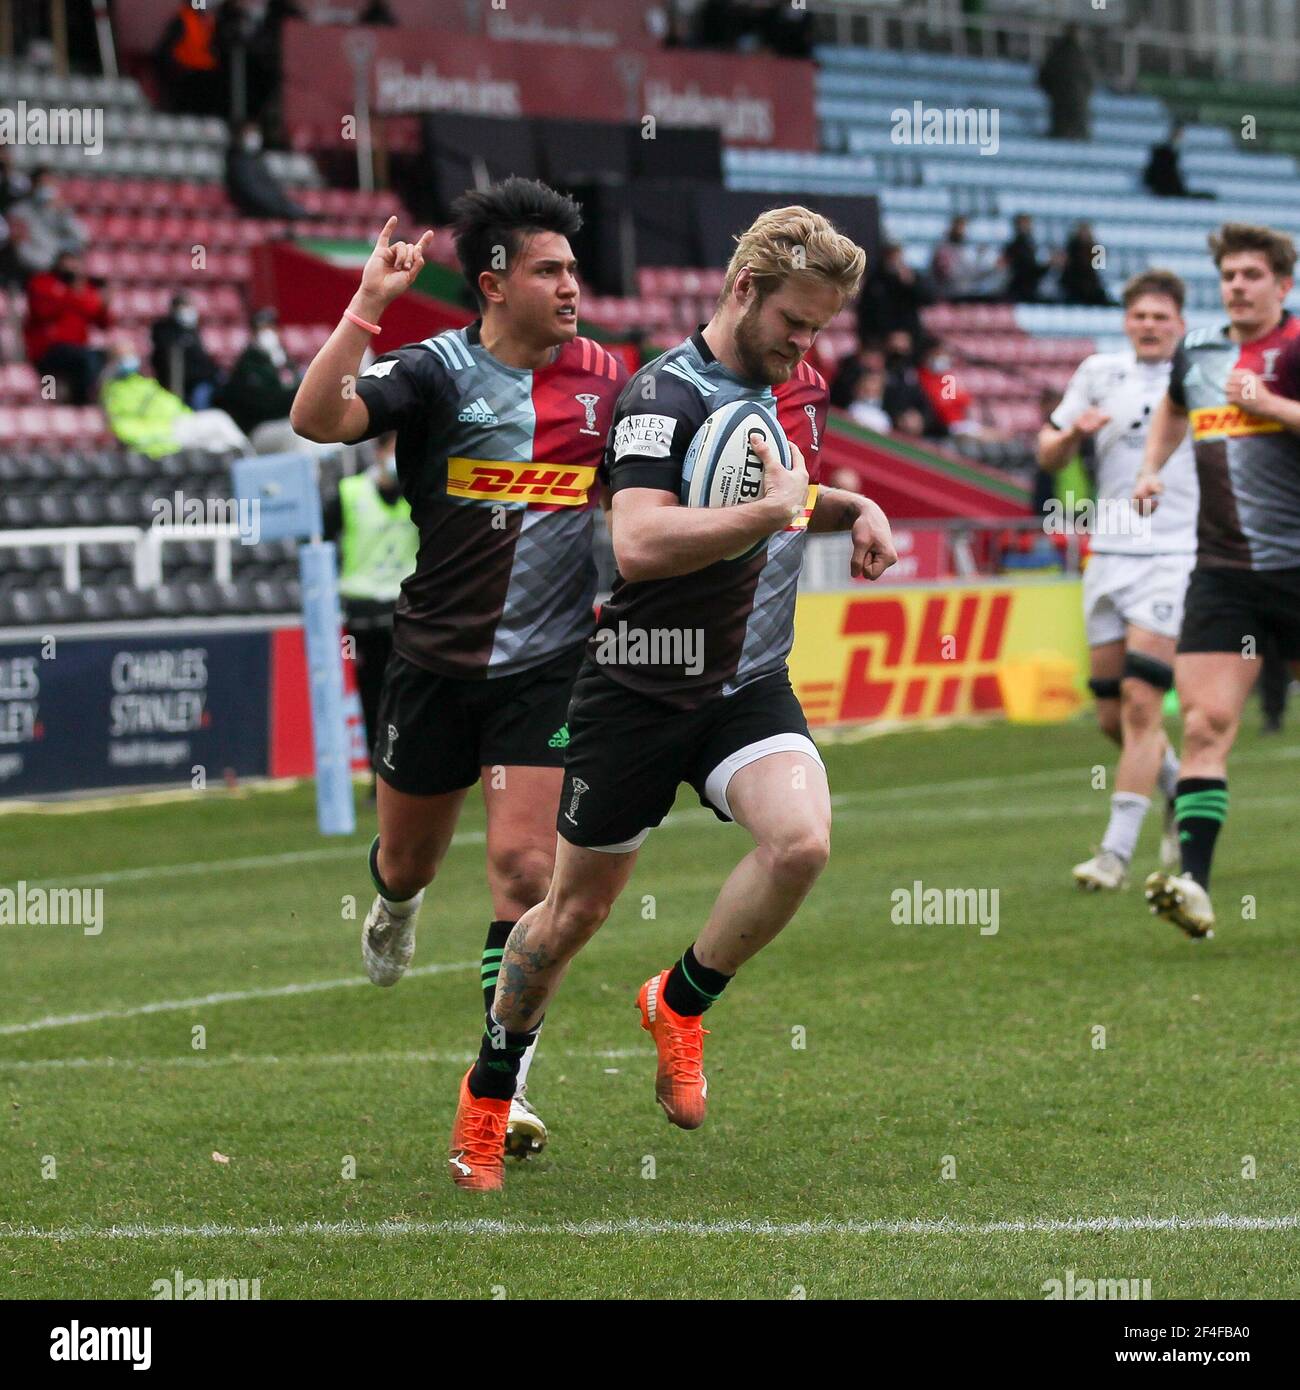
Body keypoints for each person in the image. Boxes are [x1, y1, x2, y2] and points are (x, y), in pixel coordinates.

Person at [445, 205, 897, 1192]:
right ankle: (487, 1089)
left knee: (802, 841)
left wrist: (849, 504)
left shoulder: (781, 386)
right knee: (566, 918)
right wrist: (772, 513)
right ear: (744, 290)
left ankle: (680, 1001)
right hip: (639, 684)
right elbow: (641, 540)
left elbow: (772, 493)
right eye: (796, 324)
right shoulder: (661, 396)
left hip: (740, 682)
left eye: (820, 329)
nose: (805, 347)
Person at [289, 179, 628, 1161]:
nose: (572, 285)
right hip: (434, 660)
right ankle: (394, 908)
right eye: (549, 269)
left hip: (549, 667)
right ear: (493, 282)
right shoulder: (435, 370)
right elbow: (317, 418)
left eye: (573, 267)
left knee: (525, 870)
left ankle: (502, 1082)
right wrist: (367, 306)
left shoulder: (607, 377)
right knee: (411, 860)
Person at [1135, 224, 1300, 937]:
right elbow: (1174, 405)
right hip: (1225, 573)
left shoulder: (1295, 352)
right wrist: (1151, 467)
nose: (1238, 285)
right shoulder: (1199, 350)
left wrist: (1274, 408)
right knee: (1204, 724)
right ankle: (1194, 886)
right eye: (1230, 274)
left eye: (1252, 275)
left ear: (1283, 286)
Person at [1038, 270, 1197, 891]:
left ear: (1179, 324)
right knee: (1110, 716)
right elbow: (1046, 452)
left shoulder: (1197, 379)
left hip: (1173, 554)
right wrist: (1071, 435)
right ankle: (1180, 788)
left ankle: (1115, 854)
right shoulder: (1097, 373)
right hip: (1106, 553)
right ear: (1126, 322)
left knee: (1140, 704)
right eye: (1140, 316)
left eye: (1162, 317)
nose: (1150, 326)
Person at [322, 432, 418, 796]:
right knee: (371, 696)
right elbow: (316, 539)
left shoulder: (417, 493)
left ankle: (406, 772)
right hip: (361, 612)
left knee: (407, 695)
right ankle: (379, 776)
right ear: (378, 452)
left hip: (405, 609)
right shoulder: (350, 493)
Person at [101, 342, 250, 457]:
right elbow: (124, 427)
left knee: (218, 444)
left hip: (180, 422)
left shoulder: (141, 382)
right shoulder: (114, 392)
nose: (130, 359)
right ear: (113, 361)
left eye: (131, 354)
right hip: (167, 432)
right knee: (218, 419)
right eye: (124, 356)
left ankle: (247, 466)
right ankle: (252, 460)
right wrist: (161, 437)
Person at [23, 250, 109, 406]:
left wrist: (105, 303)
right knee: (84, 360)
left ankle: (92, 402)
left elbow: (102, 323)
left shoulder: (84, 289)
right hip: (47, 350)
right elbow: (42, 311)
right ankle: (81, 403)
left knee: (107, 357)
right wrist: (72, 292)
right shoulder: (43, 283)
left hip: (77, 350)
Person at [8, 169, 85, 278]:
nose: (46, 188)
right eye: (41, 183)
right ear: (33, 185)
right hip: (33, 273)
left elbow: (82, 237)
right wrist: (51, 265)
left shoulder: (61, 210)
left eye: (49, 183)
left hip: (61, 272)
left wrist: (64, 214)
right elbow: (22, 253)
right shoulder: (18, 212)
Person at [150, 293, 222, 409]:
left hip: (203, 378)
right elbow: (168, 359)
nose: (188, 311)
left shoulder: (193, 329)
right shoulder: (164, 330)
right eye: (184, 306)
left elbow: (202, 358)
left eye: (190, 306)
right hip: (182, 383)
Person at [225, 121, 306, 219]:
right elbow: (252, 192)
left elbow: (271, 187)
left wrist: (283, 204)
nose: (254, 137)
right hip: (256, 211)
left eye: (256, 133)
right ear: (239, 137)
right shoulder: (237, 162)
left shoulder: (258, 161)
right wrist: (280, 206)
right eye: (249, 133)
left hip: (272, 209)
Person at [856, 241, 929, 343]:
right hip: (881, 336)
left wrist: (911, 284)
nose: (894, 261)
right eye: (891, 256)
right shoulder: (875, 280)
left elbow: (926, 299)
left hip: (908, 335)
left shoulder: (910, 278)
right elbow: (868, 310)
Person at [1038, 22, 1093, 141]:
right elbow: (1090, 80)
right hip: (1076, 101)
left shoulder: (1056, 53)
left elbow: (1043, 77)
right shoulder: (1083, 57)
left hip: (1062, 100)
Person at [930, 215, 1002, 302]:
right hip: (949, 296)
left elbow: (974, 274)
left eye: (964, 228)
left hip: (964, 295)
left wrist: (989, 265)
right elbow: (951, 275)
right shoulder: (943, 249)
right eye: (960, 227)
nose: (963, 231)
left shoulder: (963, 250)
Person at [1003, 213, 1054, 304]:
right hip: (1021, 292)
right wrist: (1048, 265)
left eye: (1028, 223)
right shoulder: (1017, 246)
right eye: (1024, 223)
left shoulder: (1030, 244)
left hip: (1027, 291)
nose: (1028, 226)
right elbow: (1027, 270)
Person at [1059, 222, 1112, 306]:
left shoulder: (1095, 249)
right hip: (1073, 285)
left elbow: (1099, 268)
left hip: (1090, 287)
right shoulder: (1071, 249)